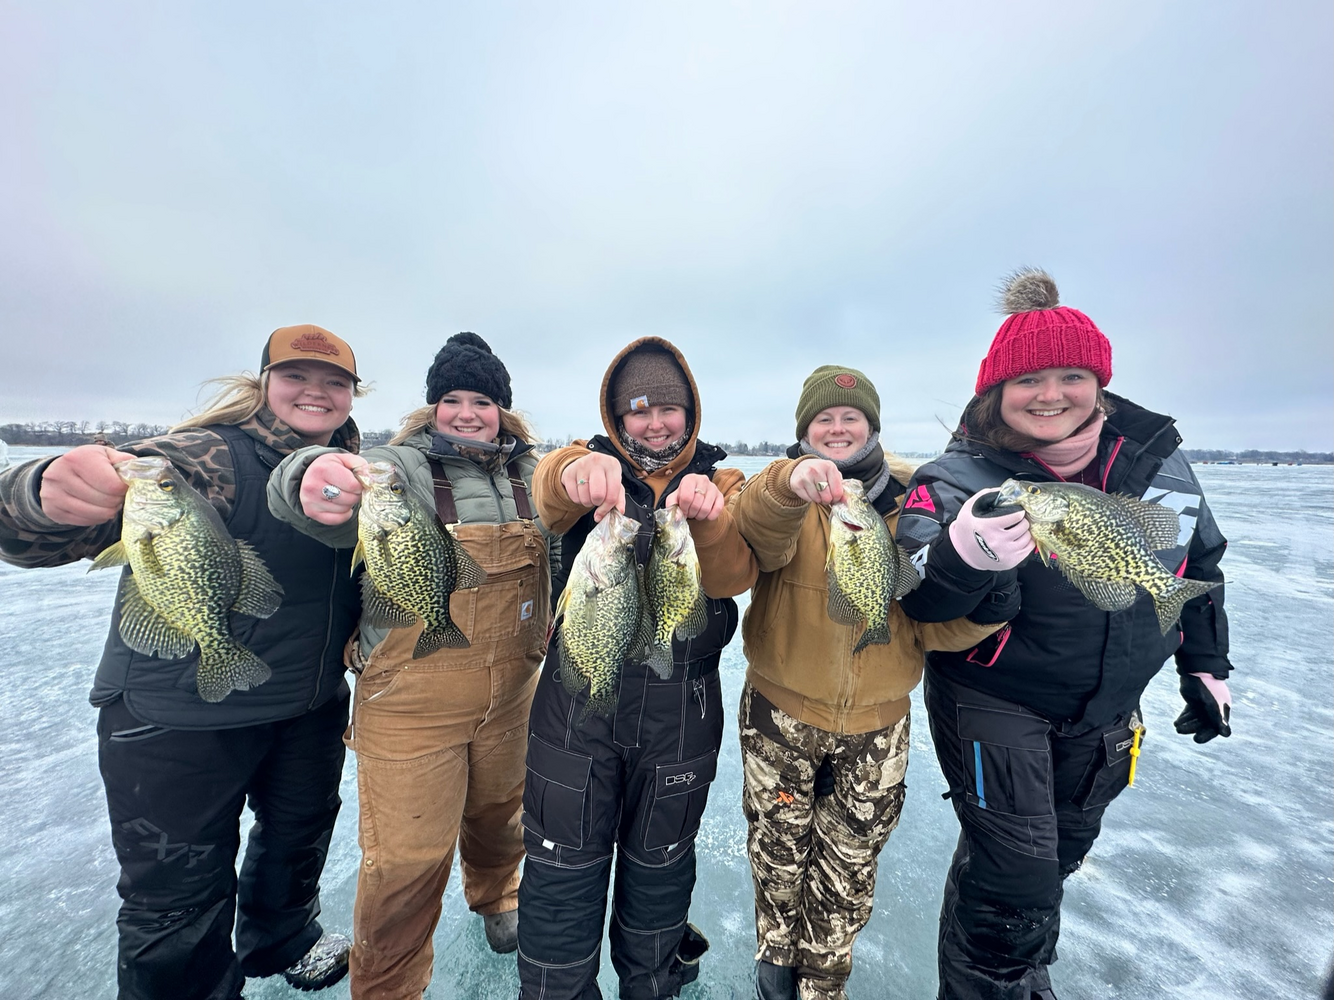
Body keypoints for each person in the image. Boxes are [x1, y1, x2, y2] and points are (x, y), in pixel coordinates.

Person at [895, 269, 1235, 1000]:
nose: (1050, 394)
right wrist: (965, 554)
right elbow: (916, 591)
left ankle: (1023, 969)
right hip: (995, 696)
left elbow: (1198, 559)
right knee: (1015, 871)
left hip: (1111, 705)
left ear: (1100, 383)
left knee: (1056, 857)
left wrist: (1205, 665)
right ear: (995, 393)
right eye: (1028, 380)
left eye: (1071, 375)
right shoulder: (959, 478)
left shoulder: (1159, 462)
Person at [0, 324, 366, 999]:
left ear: (351, 395)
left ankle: (284, 939)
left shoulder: (356, 470)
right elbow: (35, 527)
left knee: (295, 845)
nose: (315, 392)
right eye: (296, 377)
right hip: (176, 718)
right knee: (175, 896)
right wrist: (39, 489)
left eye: (334, 381)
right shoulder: (198, 457)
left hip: (306, 705)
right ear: (264, 385)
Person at [266, 332, 558, 1000]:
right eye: (449, 398)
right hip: (409, 695)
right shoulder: (396, 466)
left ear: (502, 408)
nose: (464, 412)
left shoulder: (530, 474)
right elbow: (318, 500)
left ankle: (498, 895)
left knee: (500, 811)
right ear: (431, 406)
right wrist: (313, 479)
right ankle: (390, 985)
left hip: (513, 687)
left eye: (480, 399)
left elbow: (559, 550)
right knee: (405, 858)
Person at [728, 365, 1008, 1000]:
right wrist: (789, 485)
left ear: (872, 427)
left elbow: (932, 623)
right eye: (822, 419)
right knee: (777, 846)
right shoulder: (782, 493)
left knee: (850, 863)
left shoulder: (920, 497)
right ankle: (775, 954)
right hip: (780, 711)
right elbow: (754, 530)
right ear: (803, 431)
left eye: (849, 418)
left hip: (879, 725)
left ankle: (824, 979)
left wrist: (988, 608)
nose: (836, 428)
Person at [516, 337, 757, 1000]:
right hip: (577, 709)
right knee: (562, 869)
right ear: (618, 419)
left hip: (680, 714)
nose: (654, 424)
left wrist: (707, 517)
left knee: (661, 867)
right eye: (639, 412)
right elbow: (549, 490)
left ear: (691, 414)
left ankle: (652, 984)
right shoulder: (592, 466)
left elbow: (735, 572)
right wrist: (574, 472)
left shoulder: (724, 482)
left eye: (669, 410)